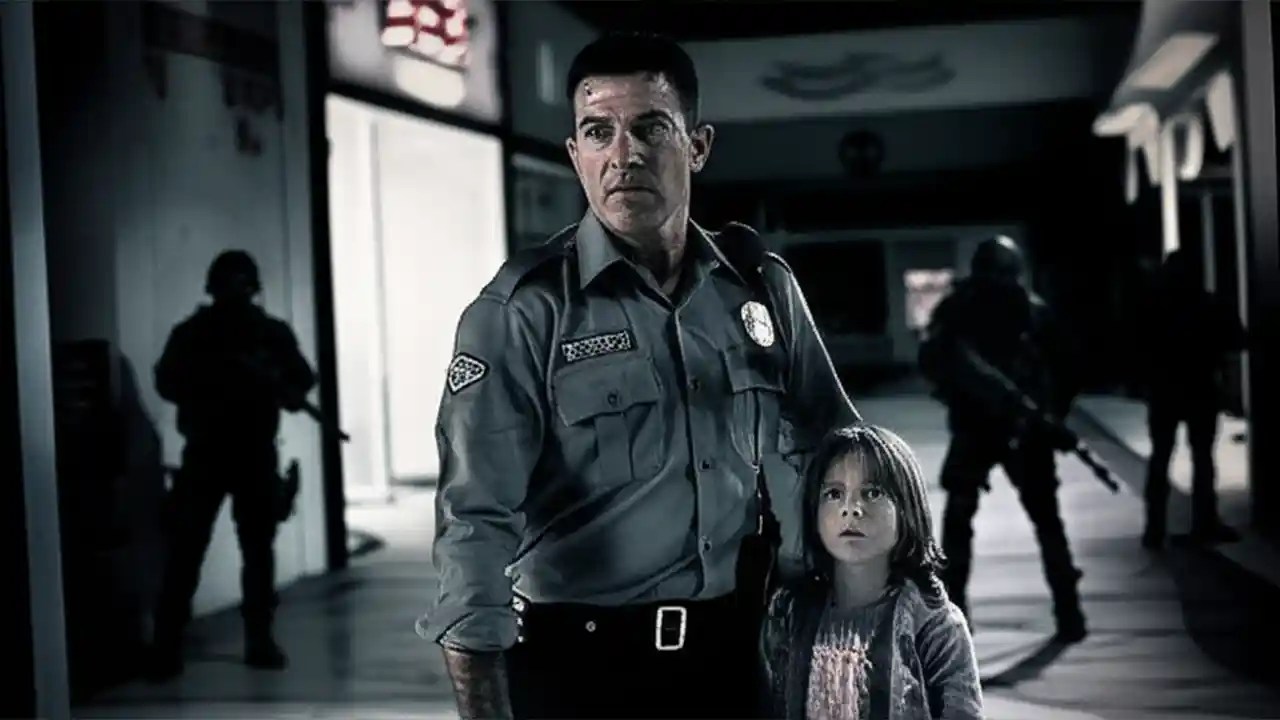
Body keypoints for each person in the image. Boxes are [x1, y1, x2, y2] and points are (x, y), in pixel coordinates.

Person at [420, 31, 862, 720]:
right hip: (580, 673)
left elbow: (844, 455)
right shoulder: (521, 312)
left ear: (698, 146)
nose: (623, 155)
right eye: (598, 132)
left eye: (651, 128)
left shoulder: (759, 289)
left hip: (741, 658)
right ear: (575, 155)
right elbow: (472, 528)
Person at [147, 250, 316, 679]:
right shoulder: (195, 334)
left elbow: (301, 379)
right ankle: (168, 644)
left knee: (255, 551)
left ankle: (258, 638)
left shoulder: (269, 335)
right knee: (188, 550)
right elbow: (168, 381)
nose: (236, 295)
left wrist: (280, 387)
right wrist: (211, 377)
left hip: (253, 453)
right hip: (206, 452)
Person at [919, 236, 1088, 643]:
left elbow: (1065, 369)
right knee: (977, 521)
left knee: (1019, 520)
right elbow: (938, 363)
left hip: (1014, 429)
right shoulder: (978, 311)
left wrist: (1050, 418)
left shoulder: (1020, 313)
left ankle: (1066, 610)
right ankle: (1063, 611)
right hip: (981, 426)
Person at [760, 424, 982, 720]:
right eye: (834, 493)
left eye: (872, 492)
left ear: (907, 509)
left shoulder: (935, 626)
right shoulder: (788, 611)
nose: (851, 509)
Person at [1138, 248, 1246, 549]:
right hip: (1200, 387)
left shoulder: (1153, 306)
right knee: (1202, 458)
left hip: (1163, 389)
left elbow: (1137, 347)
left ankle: (1154, 527)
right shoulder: (1210, 304)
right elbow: (1235, 343)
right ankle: (1204, 522)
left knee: (1160, 456)